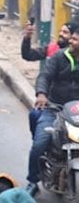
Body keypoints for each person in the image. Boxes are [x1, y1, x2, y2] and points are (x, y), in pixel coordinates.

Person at [26, 28, 79, 196]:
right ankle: (32, 181)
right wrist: (41, 94)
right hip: (54, 110)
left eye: (76, 40)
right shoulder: (59, 57)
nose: (71, 41)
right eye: (73, 38)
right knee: (39, 144)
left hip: (77, 113)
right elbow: (44, 76)